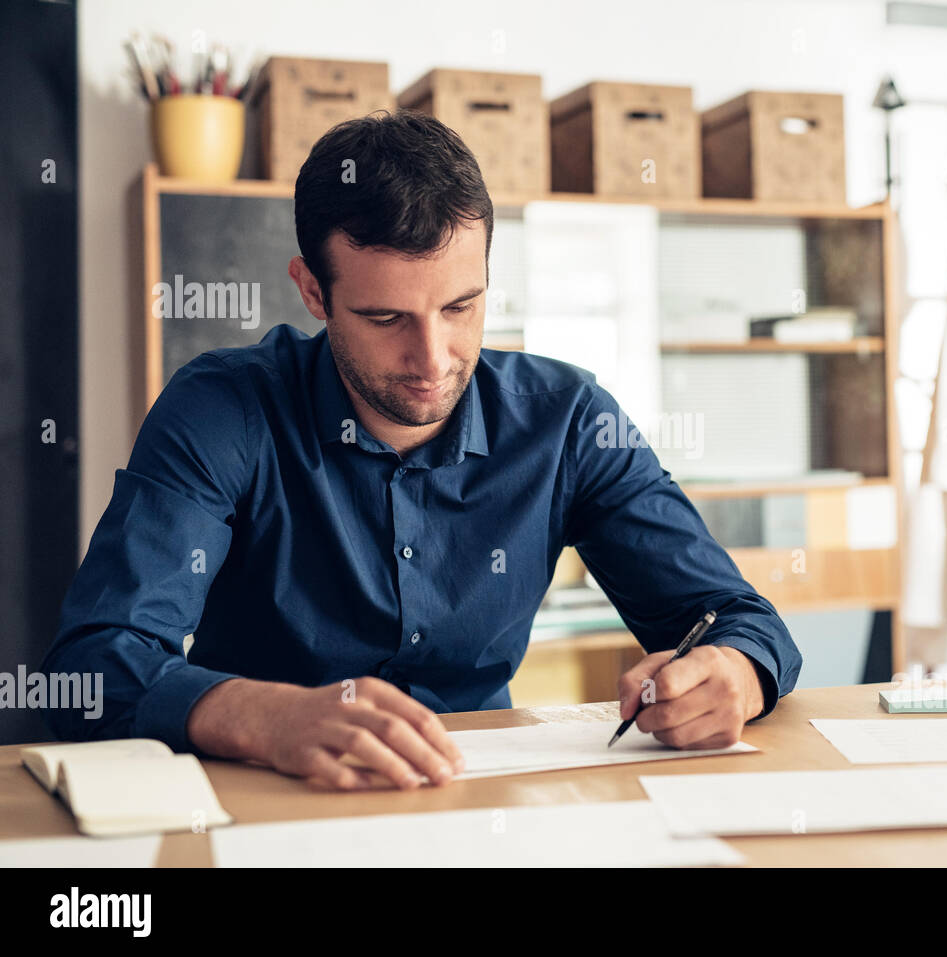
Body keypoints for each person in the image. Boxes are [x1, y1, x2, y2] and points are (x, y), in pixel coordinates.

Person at [41, 110, 801, 790]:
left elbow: (739, 620)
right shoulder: (223, 410)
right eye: (384, 317)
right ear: (312, 292)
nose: (433, 356)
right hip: (266, 799)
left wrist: (734, 671)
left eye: (460, 306)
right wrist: (263, 715)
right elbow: (92, 664)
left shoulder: (566, 420)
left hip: (482, 800)